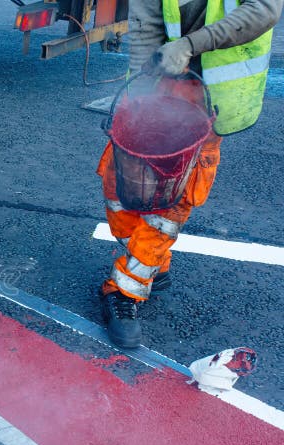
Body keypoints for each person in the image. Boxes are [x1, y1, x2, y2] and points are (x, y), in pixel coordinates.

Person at [98, 0, 282, 348]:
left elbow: (264, 10)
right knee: (118, 182)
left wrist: (190, 45)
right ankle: (153, 262)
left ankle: (124, 290)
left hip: (213, 98)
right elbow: (147, 25)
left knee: (171, 201)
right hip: (164, 87)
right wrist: (137, 103)